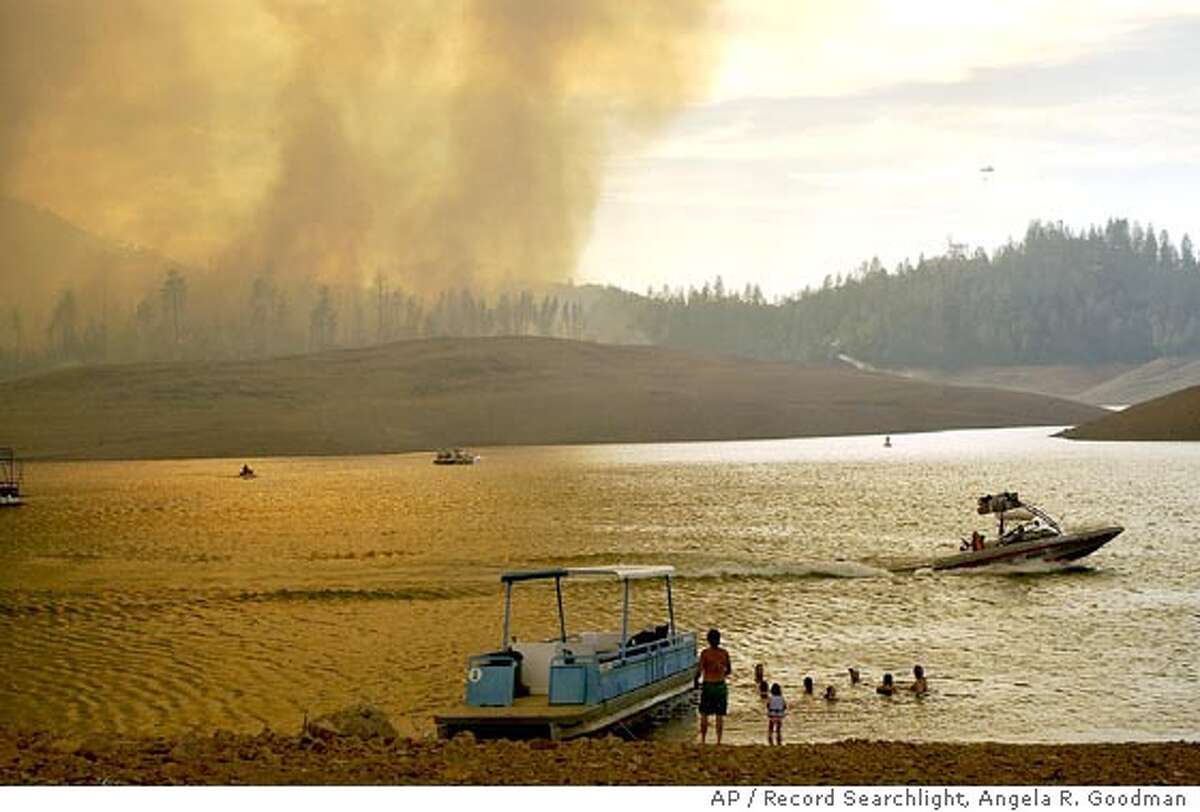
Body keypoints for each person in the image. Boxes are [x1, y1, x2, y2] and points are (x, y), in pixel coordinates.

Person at [697, 628, 731, 744]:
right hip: (720, 685)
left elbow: (700, 670)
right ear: (719, 640)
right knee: (719, 715)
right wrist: (721, 673)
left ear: (708, 640)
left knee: (704, 714)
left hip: (708, 685)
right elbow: (729, 670)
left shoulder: (705, 653)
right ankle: (719, 740)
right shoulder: (724, 653)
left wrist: (695, 681)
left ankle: (703, 739)